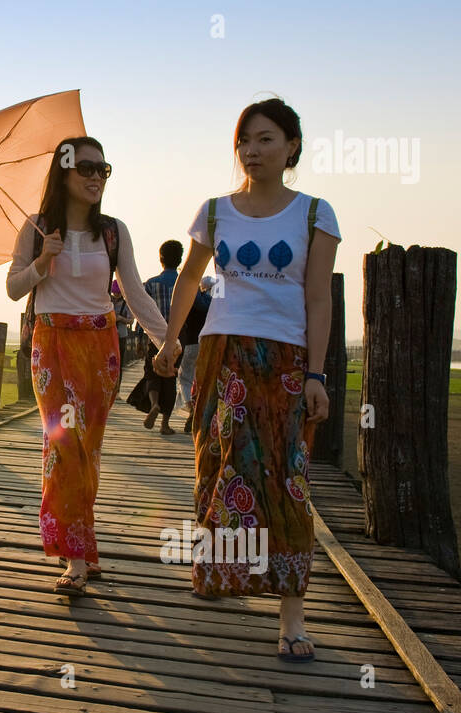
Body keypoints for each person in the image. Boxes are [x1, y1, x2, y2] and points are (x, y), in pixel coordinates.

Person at [153, 97, 340, 663]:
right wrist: (169, 338)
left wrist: (316, 373)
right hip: (222, 350)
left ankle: (291, 615)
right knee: (222, 466)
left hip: (286, 358)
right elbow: (189, 281)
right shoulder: (214, 211)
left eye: (265, 140)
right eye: (243, 141)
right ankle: (223, 572)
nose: (251, 151)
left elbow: (317, 298)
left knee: (287, 477)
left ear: (291, 147)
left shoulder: (314, 214)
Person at [8, 136, 180, 596]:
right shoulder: (37, 228)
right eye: (85, 168)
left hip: (101, 348)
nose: (94, 177)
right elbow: (12, 287)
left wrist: (167, 340)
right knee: (63, 446)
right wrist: (44, 260)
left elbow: (135, 292)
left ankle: (79, 545)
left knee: (89, 449)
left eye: (102, 169)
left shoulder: (114, 231)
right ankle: (77, 557)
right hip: (52, 344)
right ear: (63, 172)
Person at [134, 241, 184, 435]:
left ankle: (154, 403)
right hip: (179, 338)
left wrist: (139, 337)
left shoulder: (151, 284)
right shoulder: (185, 283)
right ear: (180, 259)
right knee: (171, 378)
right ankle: (165, 424)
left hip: (154, 337)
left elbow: (142, 313)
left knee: (152, 373)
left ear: (160, 259)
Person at [176, 276, 214, 432]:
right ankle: (199, 410)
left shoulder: (188, 300)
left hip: (189, 342)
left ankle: (191, 407)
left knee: (184, 379)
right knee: (200, 379)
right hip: (205, 343)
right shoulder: (210, 302)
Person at [111, 280, 135, 368]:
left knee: (119, 361)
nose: (116, 294)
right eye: (115, 293)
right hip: (109, 335)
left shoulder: (126, 303)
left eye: (118, 293)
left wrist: (121, 318)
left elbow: (131, 320)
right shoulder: (109, 301)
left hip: (121, 335)